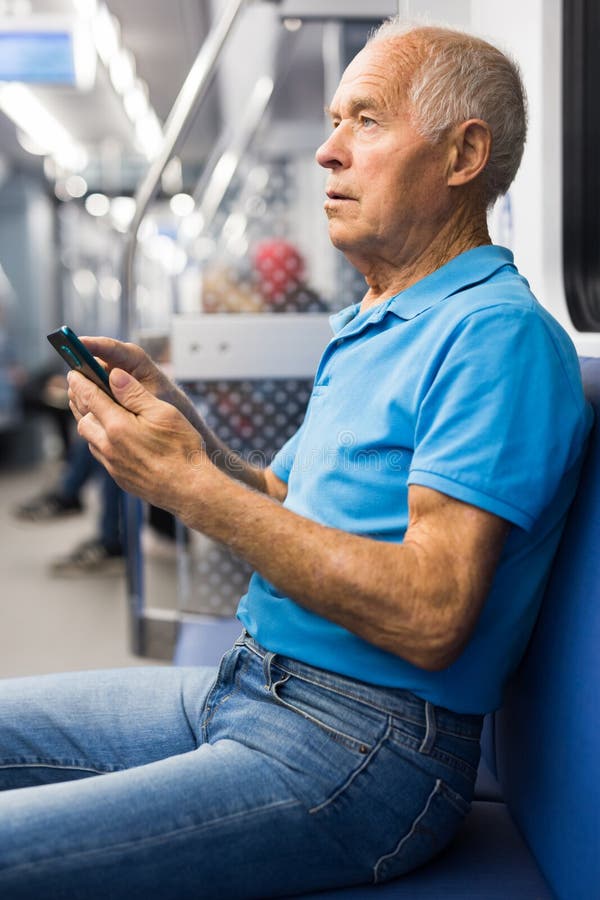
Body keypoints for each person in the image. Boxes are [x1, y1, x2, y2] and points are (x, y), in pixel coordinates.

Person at [0, 20, 593, 900]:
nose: (327, 152)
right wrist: (188, 437)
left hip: (363, 751)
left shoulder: (495, 338)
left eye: (366, 122)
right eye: (333, 120)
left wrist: (189, 490)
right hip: (248, 682)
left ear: (464, 154)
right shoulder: (376, 319)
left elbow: (433, 614)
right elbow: (284, 495)